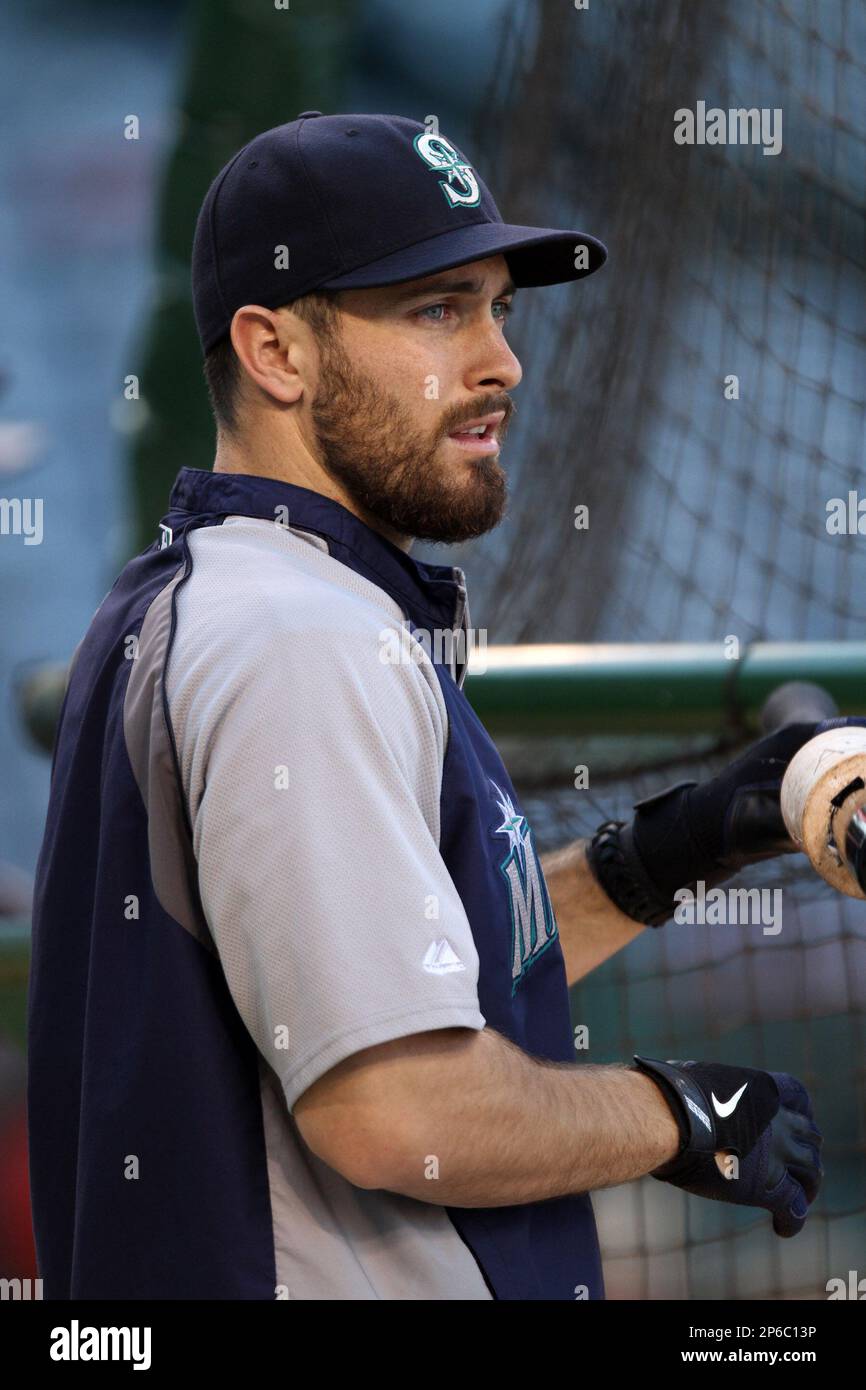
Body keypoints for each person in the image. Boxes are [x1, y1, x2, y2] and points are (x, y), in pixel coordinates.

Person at [28, 112, 827, 1300]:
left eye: (499, 307)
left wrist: (678, 843)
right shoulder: (297, 638)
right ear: (275, 352)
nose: (501, 360)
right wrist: (674, 1111)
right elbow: (393, 1106)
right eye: (435, 309)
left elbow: (401, 966)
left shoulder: (218, 595)